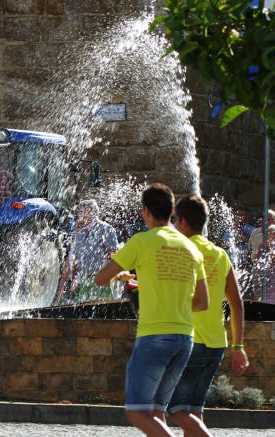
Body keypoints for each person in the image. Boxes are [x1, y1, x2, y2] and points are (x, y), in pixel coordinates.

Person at [94, 183, 208, 437]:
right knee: (156, 411)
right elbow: (203, 302)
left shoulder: (141, 242)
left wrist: (120, 273)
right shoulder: (191, 248)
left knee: (137, 412)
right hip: (185, 338)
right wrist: (173, 302)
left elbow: (100, 278)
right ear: (171, 212)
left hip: (154, 336)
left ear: (146, 211)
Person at [167, 194, 249, 436]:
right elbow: (237, 304)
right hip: (216, 345)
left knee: (174, 408)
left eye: (175, 220)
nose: (173, 225)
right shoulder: (221, 255)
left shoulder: (181, 251)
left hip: (190, 342)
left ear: (182, 221)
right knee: (195, 410)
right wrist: (238, 345)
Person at [58, 200, 119, 303]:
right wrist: (74, 279)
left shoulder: (106, 229)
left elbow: (113, 256)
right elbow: (75, 259)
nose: (80, 215)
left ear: (93, 212)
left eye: (83, 212)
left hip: (102, 280)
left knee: (103, 310)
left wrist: (105, 277)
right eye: (80, 212)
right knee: (84, 311)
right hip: (83, 282)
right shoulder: (80, 232)